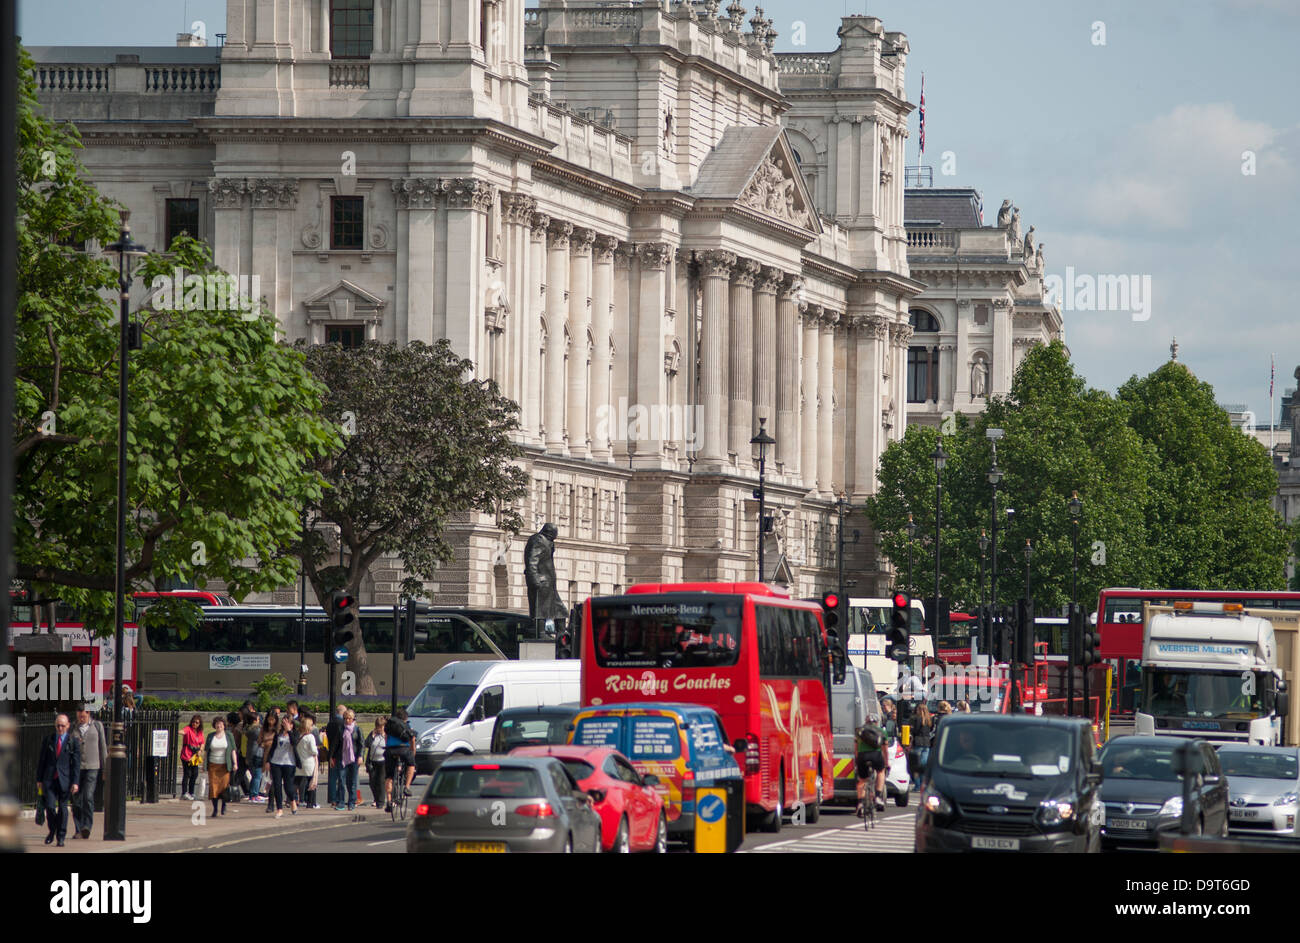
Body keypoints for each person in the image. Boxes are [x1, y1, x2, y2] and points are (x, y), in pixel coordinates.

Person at [36, 713, 81, 846]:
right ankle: (52, 830)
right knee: (50, 807)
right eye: (58, 726)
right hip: (49, 779)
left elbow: (76, 764)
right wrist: (39, 779)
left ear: (67, 726)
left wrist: (75, 782)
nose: (60, 728)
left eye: (62, 726)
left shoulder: (73, 742)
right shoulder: (48, 740)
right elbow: (42, 760)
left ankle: (61, 836)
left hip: (64, 780)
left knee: (63, 809)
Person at [71, 704, 107, 839]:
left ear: (88, 713)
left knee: (88, 796)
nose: (81, 717)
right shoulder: (73, 728)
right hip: (76, 768)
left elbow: (103, 747)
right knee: (76, 800)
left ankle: (87, 826)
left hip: (93, 767)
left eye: (83, 714)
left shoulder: (97, 726)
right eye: (79, 714)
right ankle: (78, 828)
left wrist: (105, 769)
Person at [263, 715, 300, 818]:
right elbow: (273, 747)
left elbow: (294, 743)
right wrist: (268, 761)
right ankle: (279, 809)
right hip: (276, 762)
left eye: (287, 723)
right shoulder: (278, 734)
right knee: (277, 785)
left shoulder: (295, 733)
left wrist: (289, 731)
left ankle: (292, 800)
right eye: (283, 723)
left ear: (291, 724)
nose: (284, 725)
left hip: (289, 763)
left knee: (288, 787)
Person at [383, 708, 417, 813]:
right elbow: (412, 739)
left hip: (390, 751)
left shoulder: (390, 725)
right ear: (405, 718)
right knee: (411, 765)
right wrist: (412, 752)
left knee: (389, 776)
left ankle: (389, 801)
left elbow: (386, 738)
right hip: (403, 749)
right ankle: (406, 787)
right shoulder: (407, 725)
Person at [205, 715, 239, 817]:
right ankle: (215, 809)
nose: (219, 726)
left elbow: (233, 750)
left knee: (224, 788)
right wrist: (203, 764)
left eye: (220, 724)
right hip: (213, 765)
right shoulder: (211, 736)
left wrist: (235, 763)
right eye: (217, 724)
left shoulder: (229, 735)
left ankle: (224, 806)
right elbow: (206, 751)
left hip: (225, 765)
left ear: (224, 725)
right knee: (214, 788)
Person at [854, 715, 888, 814]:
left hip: (862, 756)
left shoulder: (859, 731)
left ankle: (860, 804)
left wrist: (857, 760)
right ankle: (877, 797)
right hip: (876, 756)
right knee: (881, 772)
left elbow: (856, 748)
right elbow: (885, 750)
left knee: (862, 781)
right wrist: (886, 762)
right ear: (877, 722)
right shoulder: (882, 731)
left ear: (866, 721)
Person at [333, 708, 364, 811]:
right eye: (345, 718)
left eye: (349, 718)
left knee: (352, 782)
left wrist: (360, 756)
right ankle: (341, 802)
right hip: (342, 758)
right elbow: (336, 744)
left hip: (354, 758)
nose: (347, 721)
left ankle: (351, 802)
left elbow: (361, 744)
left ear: (353, 719)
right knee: (341, 781)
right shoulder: (340, 729)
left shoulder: (357, 729)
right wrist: (332, 757)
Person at [295, 715, 319, 810]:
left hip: (300, 762)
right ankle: (311, 802)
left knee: (297, 782)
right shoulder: (310, 737)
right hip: (309, 762)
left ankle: (293, 799)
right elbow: (313, 750)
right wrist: (317, 751)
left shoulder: (299, 736)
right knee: (311, 782)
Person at [908, 703, 934, 790]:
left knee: (916, 765)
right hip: (926, 743)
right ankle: (924, 784)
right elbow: (930, 730)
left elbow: (914, 731)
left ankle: (917, 785)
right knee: (924, 765)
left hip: (917, 742)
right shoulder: (929, 719)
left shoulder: (915, 718)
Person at [325, 703, 346, 808]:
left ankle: (332, 799)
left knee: (333, 778)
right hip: (340, 753)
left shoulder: (330, 723)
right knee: (342, 778)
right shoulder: (342, 723)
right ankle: (339, 798)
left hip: (332, 753)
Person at [180, 714, 204, 800]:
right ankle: (184, 793)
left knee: (195, 774)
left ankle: (191, 792)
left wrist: (200, 750)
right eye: (193, 722)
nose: (194, 724)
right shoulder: (188, 729)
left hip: (195, 756)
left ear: (199, 724)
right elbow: (183, 731)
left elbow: (202, 742)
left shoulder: (200, 732)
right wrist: (178, 731)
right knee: (187, 774)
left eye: (197, 722)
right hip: (187, 754)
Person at [365, 717, 388, 809]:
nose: (379, 729)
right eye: (378, 727)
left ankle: (380, 802)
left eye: (381, 727)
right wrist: (373, 736)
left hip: (383, 761)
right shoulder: (373, 734)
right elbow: (366, 744)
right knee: (372, 782)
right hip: (372, 761)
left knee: (381, 781)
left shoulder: (386, 736)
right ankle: (376, 798)